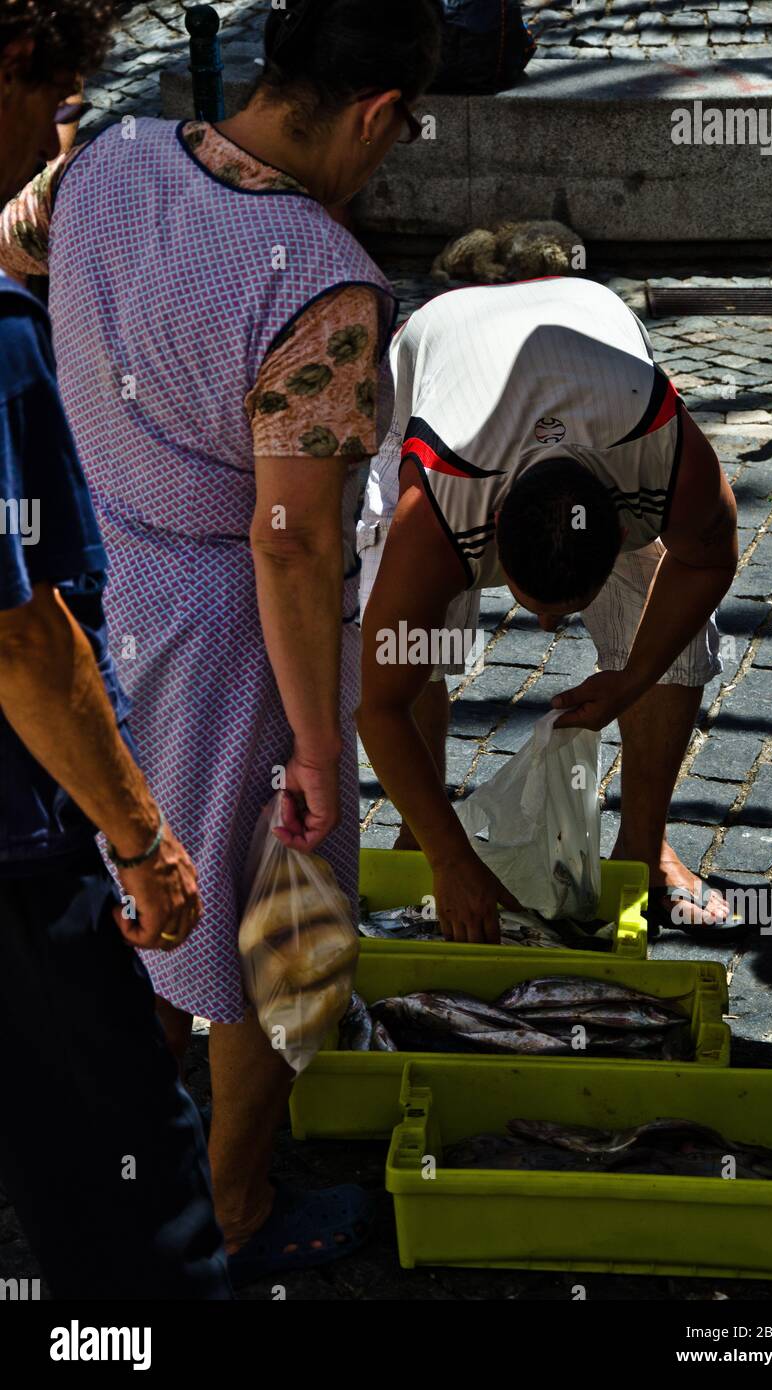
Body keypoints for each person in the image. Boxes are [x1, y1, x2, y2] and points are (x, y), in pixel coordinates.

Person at [0, 0, 443, 1285]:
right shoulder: (320, 278)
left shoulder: (110, 158)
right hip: (231, 643)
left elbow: (15, 244)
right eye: (402, 131)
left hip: (94, 602)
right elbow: (293, 542)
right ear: (373, 115)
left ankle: (127, 1164)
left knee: (132, 899)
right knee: (278, 929)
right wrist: (317, 737)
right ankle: (238, 1196)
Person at [0, 0, 231, 1300]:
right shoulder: (0, 339)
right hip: (30, 851)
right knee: (139, 1219)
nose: (55, 136)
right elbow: (25, 641)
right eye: (52, 104)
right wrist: (142, 839)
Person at [357, 275, 745, 945]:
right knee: (420, 650)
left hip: (594, 345)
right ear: (486, 537)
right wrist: (451, 861)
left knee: (675, 637)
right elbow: (376, 702)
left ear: (624, 529)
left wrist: (631, 678)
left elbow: (707, 561)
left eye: (558, 612)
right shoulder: (438, 516)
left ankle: (644, 850)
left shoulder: (662, 456)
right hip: (442, 361)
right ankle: (418, 836)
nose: (541, 629)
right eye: (532, 606)